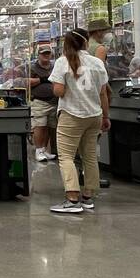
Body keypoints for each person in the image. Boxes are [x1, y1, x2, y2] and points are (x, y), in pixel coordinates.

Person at [47, 31, 110, 214]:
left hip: (72, 114)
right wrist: (106, 117)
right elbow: (103, 93)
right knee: (89, 156)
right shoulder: (97, 63)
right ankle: (88, 197)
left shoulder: (62, 62)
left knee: (66, 156)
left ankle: (72, 199)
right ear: (85, 42)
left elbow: (58, 91)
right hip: (94, 114)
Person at [28, 45, 57, 161]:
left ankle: (44, 150)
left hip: (54, 101)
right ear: (38, 55)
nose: (46, 55)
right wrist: (42, 79)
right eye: (43, 53)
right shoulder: (32, 68)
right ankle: (38, 150)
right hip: (39, 101)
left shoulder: (54, 67)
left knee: (49, 127)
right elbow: (26, 82)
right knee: (39, 126)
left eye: (48, 53)